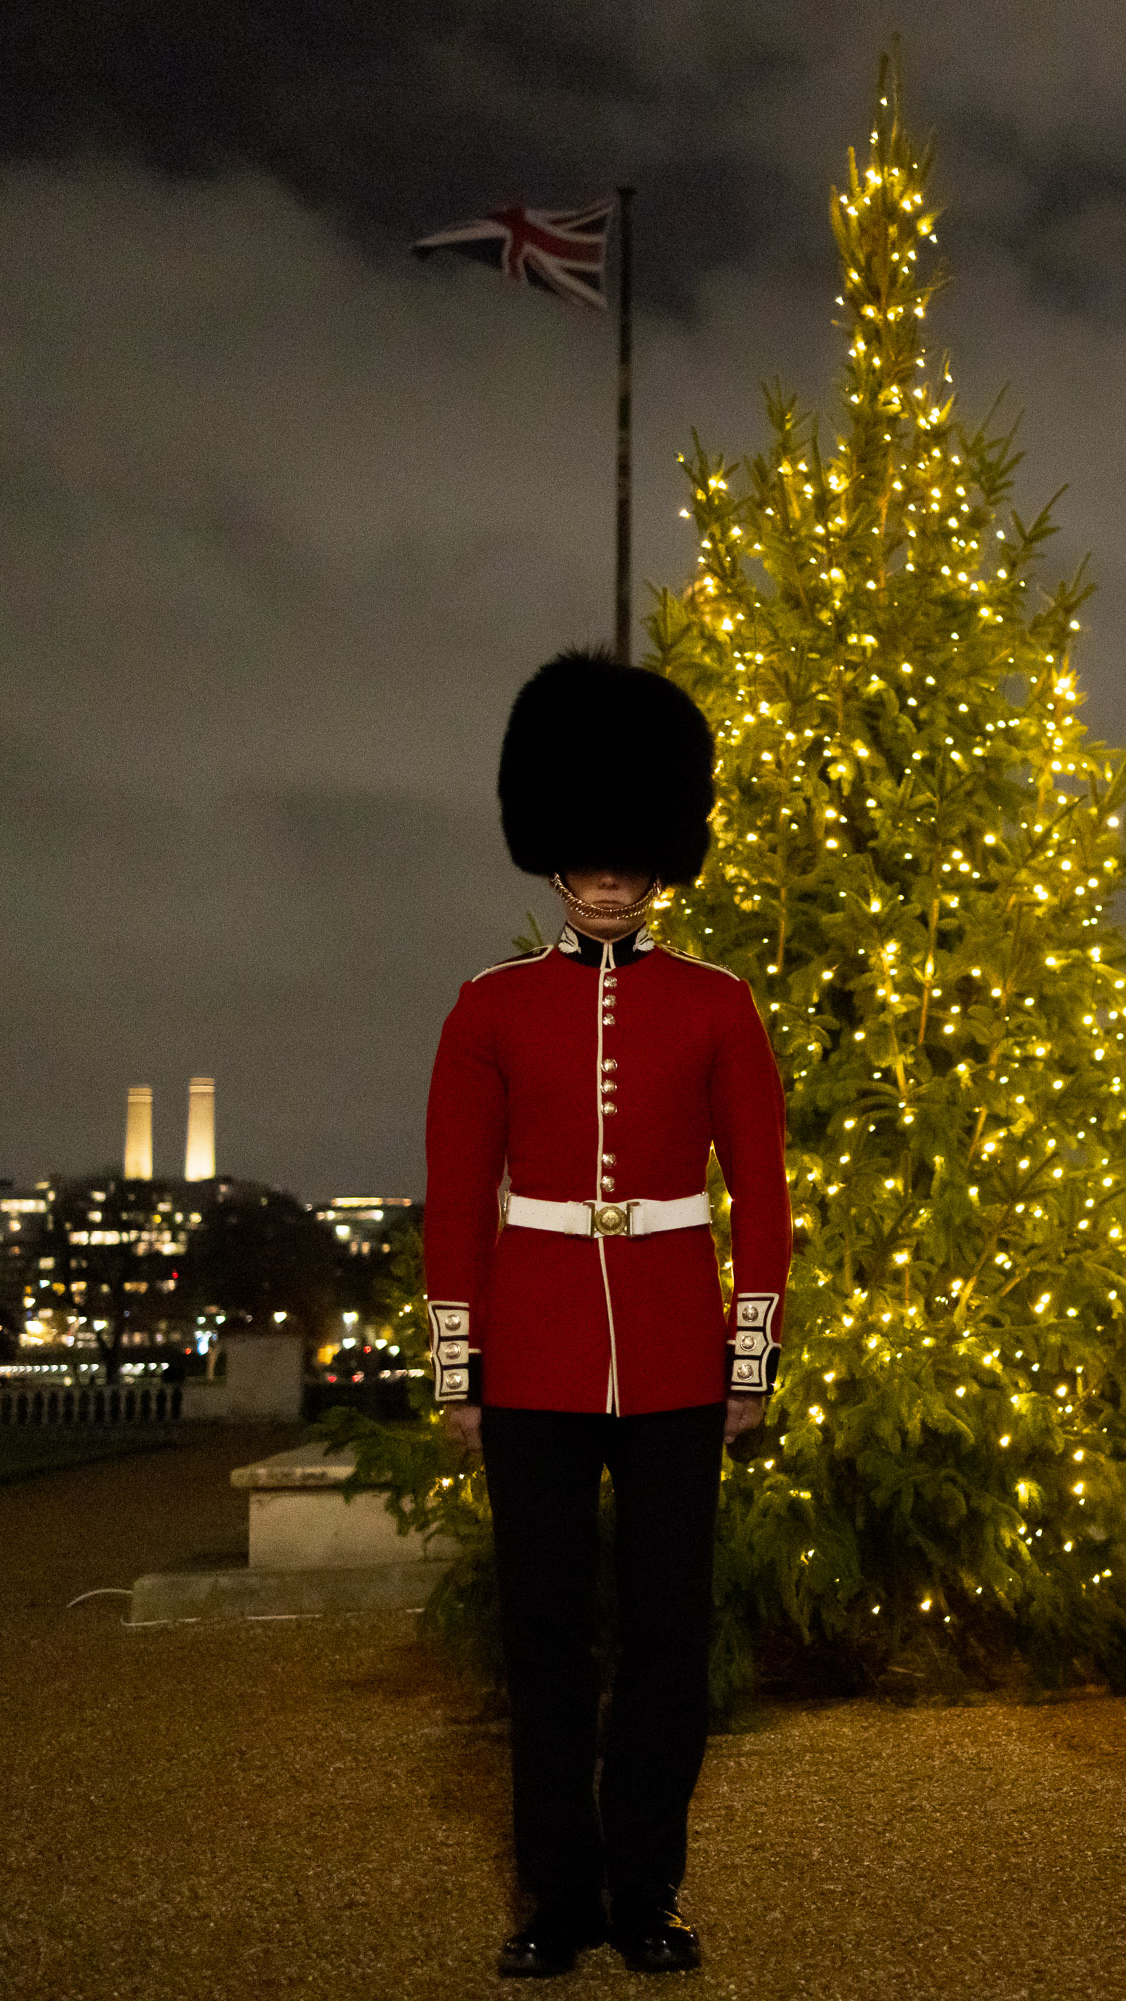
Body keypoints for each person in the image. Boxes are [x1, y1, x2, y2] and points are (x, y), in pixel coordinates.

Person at [423, 648, 790, 1979]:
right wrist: (459, 1370)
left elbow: (763, 1199)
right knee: (545, 1634)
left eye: (630, 852)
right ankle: (555, 1895)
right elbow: (455, 1202)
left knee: (667, 1634)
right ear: (556, 856)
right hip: (530, 1354)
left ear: (659, 856)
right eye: (589, 851)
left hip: (682, 1359)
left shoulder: (717, 1005)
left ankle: (647, 1887)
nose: (610, 874)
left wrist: (749, 1358)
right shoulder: (489, 1007)